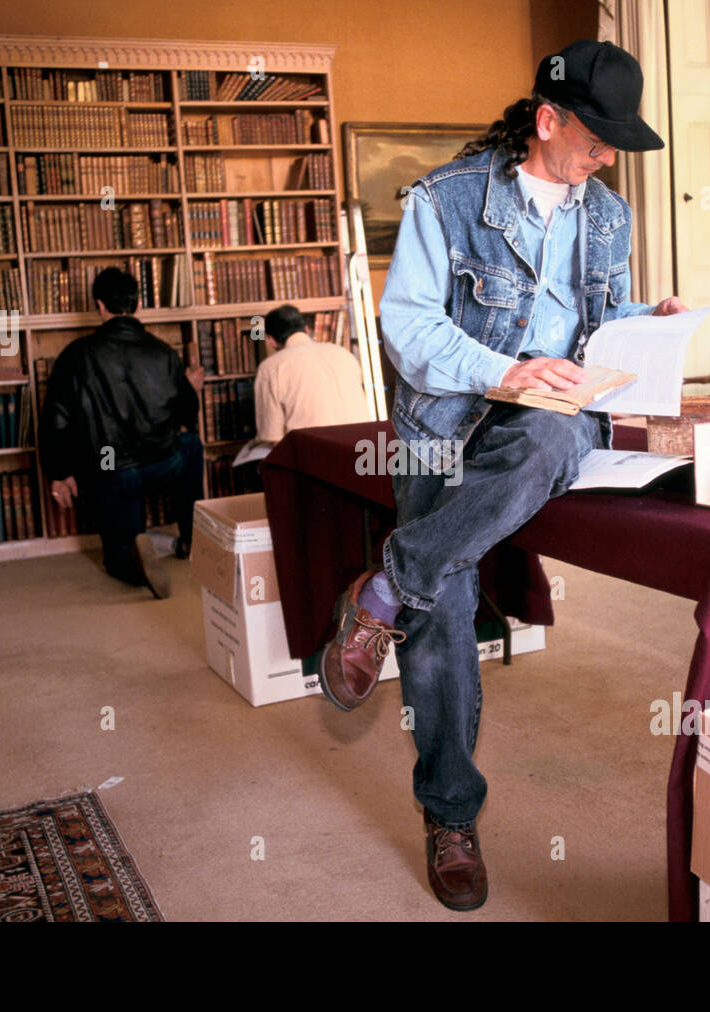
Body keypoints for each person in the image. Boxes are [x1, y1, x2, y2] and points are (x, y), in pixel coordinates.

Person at [317, 39, 687, 911]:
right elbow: (406, 329)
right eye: (596, 141)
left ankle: (382, 590)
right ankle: (451, 814)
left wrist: (648, 316)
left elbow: (593, 321)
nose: (605, 162)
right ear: (549, 121)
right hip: (444, 418)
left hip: (548, 420)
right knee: (444, 612)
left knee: (551, 446)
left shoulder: (609, 216)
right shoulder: (445, 201)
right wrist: (504, 370)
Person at [39, 267, 205, 598]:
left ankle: (132, 554)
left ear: (100, 306)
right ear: (139, 304)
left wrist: (59, 474)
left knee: (117, 555)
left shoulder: (77, 355)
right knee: (191, 444)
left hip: (110, 469)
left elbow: (55, 420)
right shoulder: (162, 352)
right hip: (163, 462)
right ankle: (191, 539)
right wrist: (186, 387)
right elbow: (189, 412)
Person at [252, 304, 373, 446]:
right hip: (366, 452)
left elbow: (273, 437)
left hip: (318, 456)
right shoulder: (344, 354)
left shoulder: (270, 368)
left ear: (271, 340)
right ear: (307, 330)